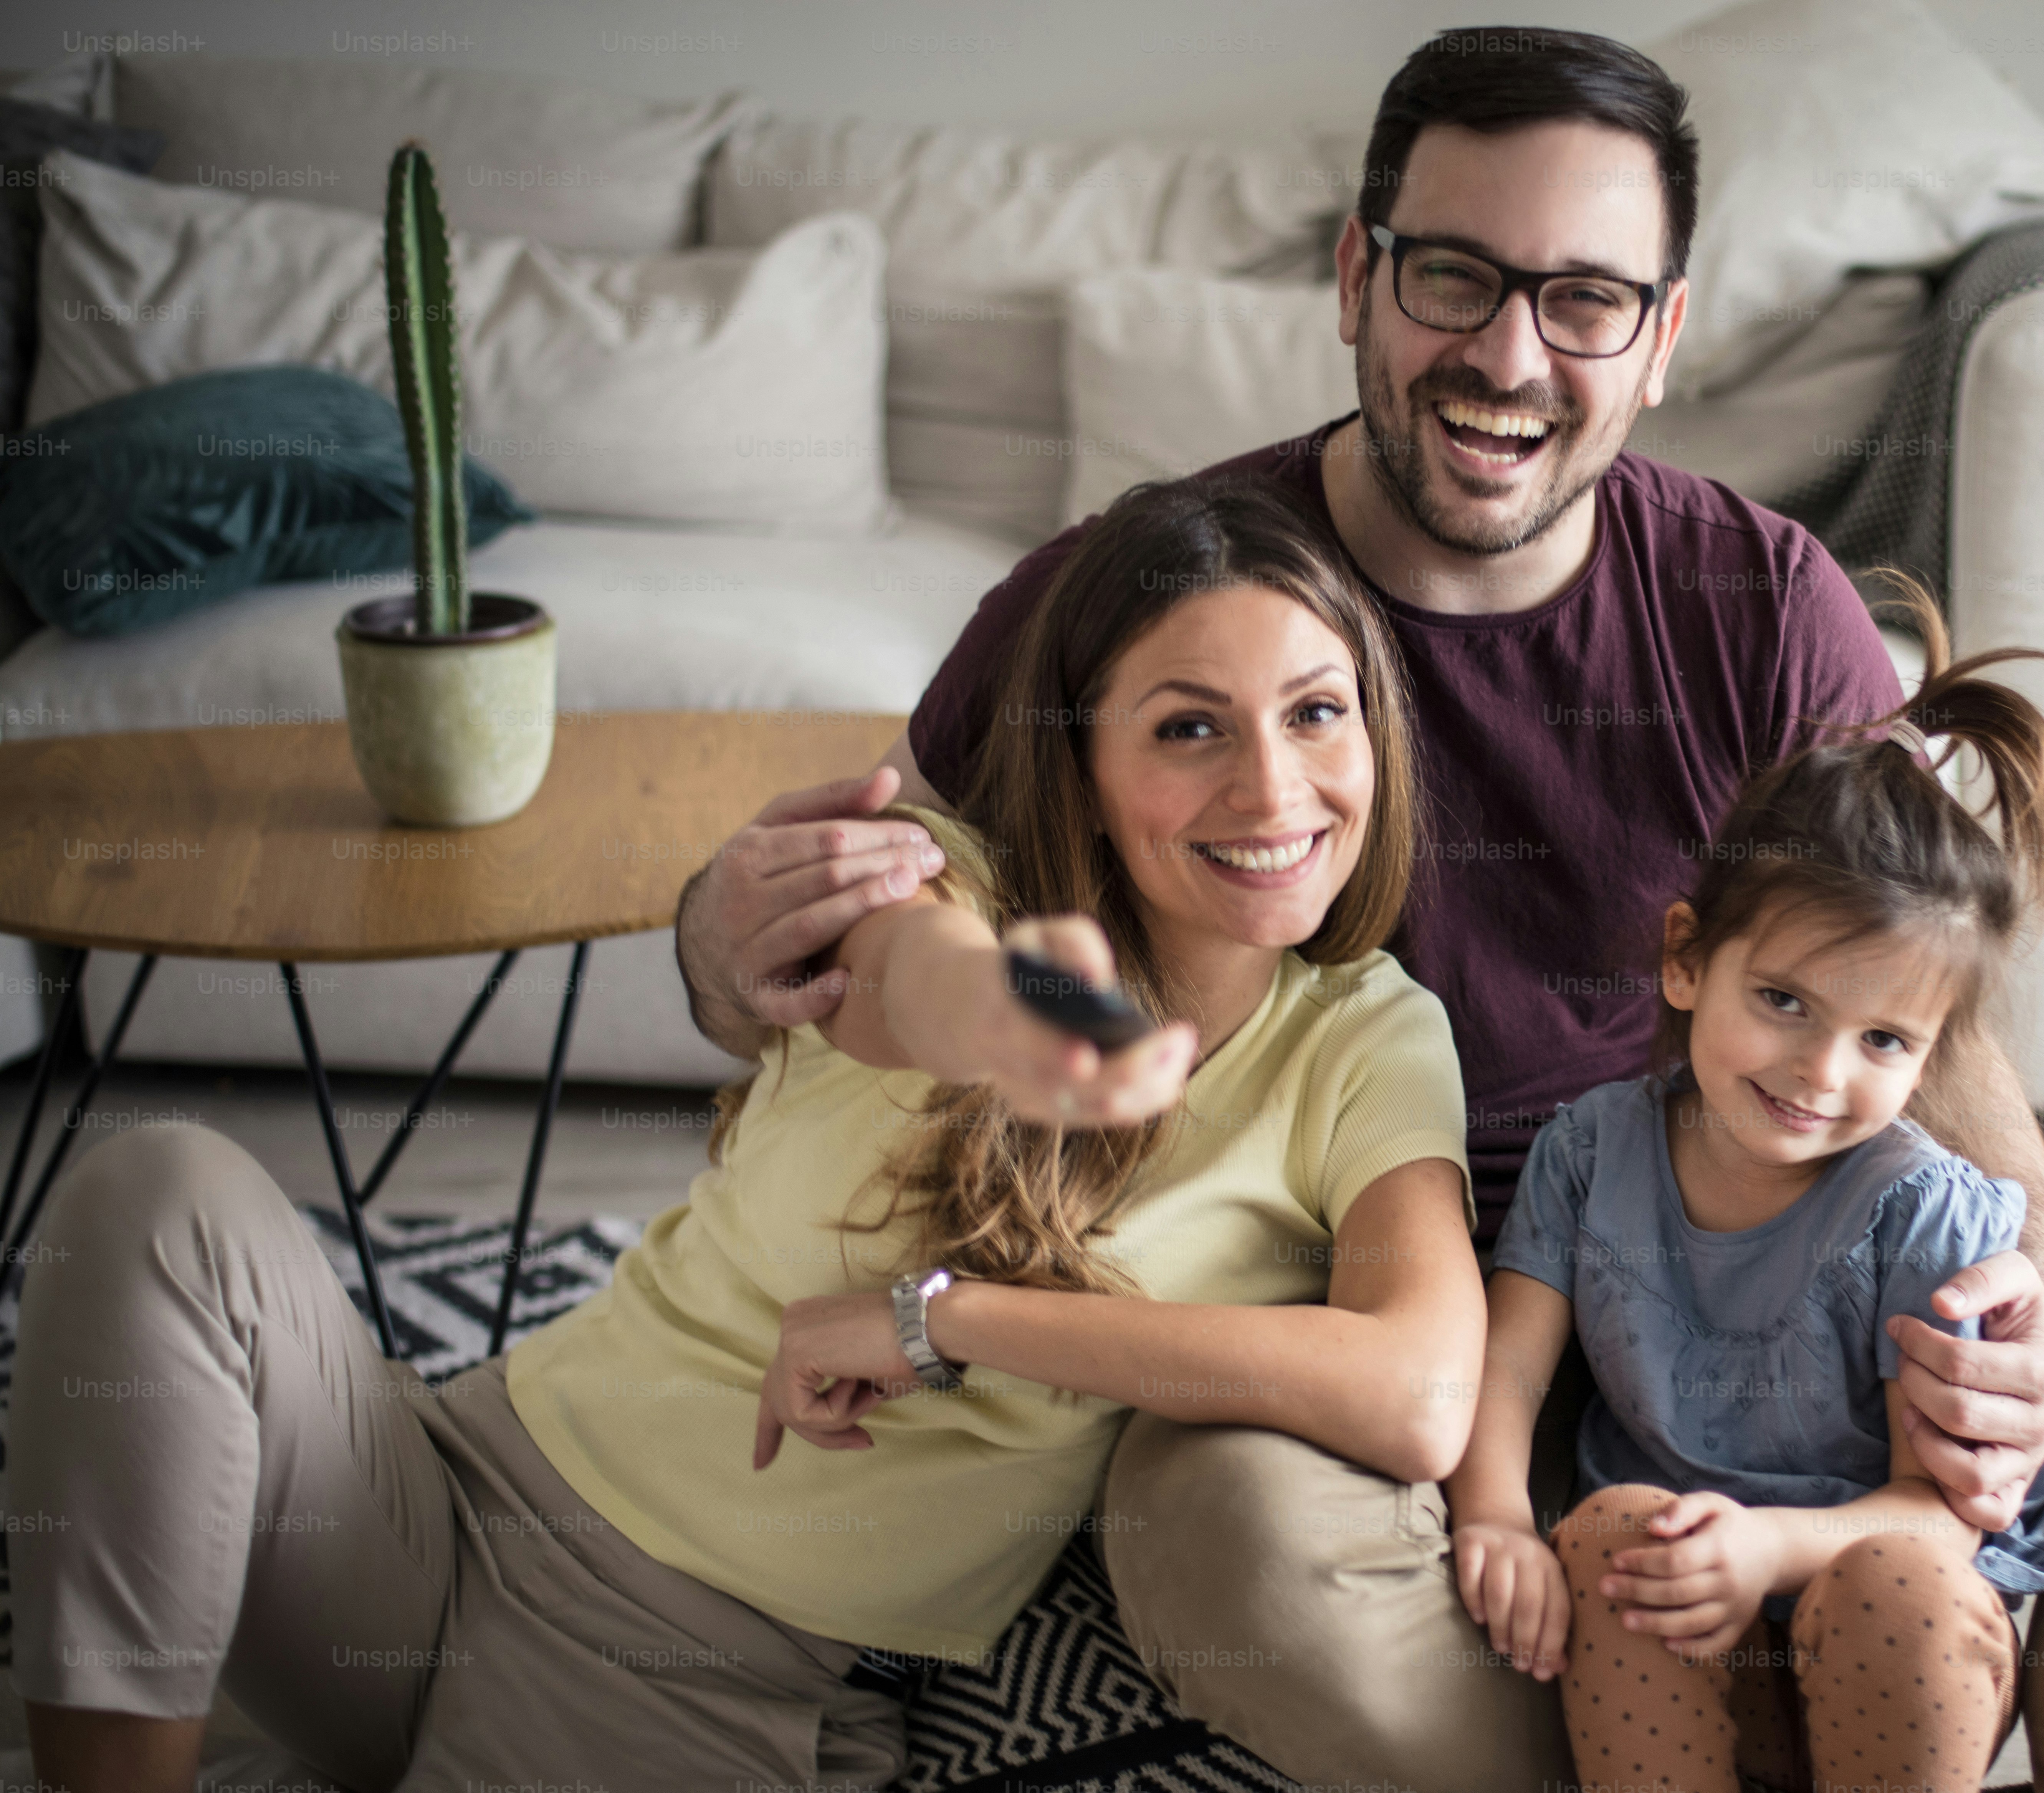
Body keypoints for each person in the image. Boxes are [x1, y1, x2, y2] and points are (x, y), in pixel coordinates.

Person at [671, 28, 2044, 1793]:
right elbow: (878, 953)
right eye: (1453, 277)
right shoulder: (1152, 591)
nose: (1507, 356)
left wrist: (2024, 1315)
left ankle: (1892, 1688)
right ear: (1353, 279)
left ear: (1662, 336)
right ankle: (1714, 1726)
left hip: (1758, 1257)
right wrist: (721, 939)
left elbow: (1927, 1009)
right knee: (1215, 1523)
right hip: (1363, 1323)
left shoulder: (1762, 609)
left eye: (1586, 300)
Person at [10, 477, 1540, 1791]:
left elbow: (1414, 1393)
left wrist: (945, 1322)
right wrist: (1023, 1027)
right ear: (1081, 760)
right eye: (1188, 726)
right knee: (160, 1192)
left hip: (688, 1673)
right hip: (436, 1489)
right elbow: (916, 980)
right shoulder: (934, 875)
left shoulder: (1361, 1038)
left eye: (1314, 712)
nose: (1271, 785)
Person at [1448, 593, 2044, 1793]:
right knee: (1616, 1530)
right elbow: (1514, 1367)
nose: (1820, 1072)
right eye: (1784, 1002)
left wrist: (1771, 1548)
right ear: (1687, 960)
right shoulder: (1591, 1152)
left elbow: (1942, 1515)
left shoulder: (1922, 1214)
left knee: (1898, 1579)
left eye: (1884, 1040)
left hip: (1885, 1613)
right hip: (1678, 1626)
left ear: (1931, 1058)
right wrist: (1492, 1516)